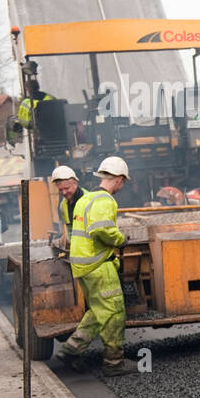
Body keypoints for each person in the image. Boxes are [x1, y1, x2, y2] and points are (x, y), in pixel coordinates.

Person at [56, 156, 135, 376]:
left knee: (99, 310)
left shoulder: (85, 199)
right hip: (98, 264)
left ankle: (71, 350)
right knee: (114, 311)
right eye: (123, 182)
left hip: (83, 265)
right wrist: (120, 239)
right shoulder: (105, 200)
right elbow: (101, 230)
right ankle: (114, 362)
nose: (122, 186)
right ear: (118, 179)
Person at [50, 165, 82, 252]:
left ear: (75, 183)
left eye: (67, 188)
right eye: (60, 190)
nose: (64, 192)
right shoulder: (63, 205)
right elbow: (69, 229)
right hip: (76, 253)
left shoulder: (88, 200)